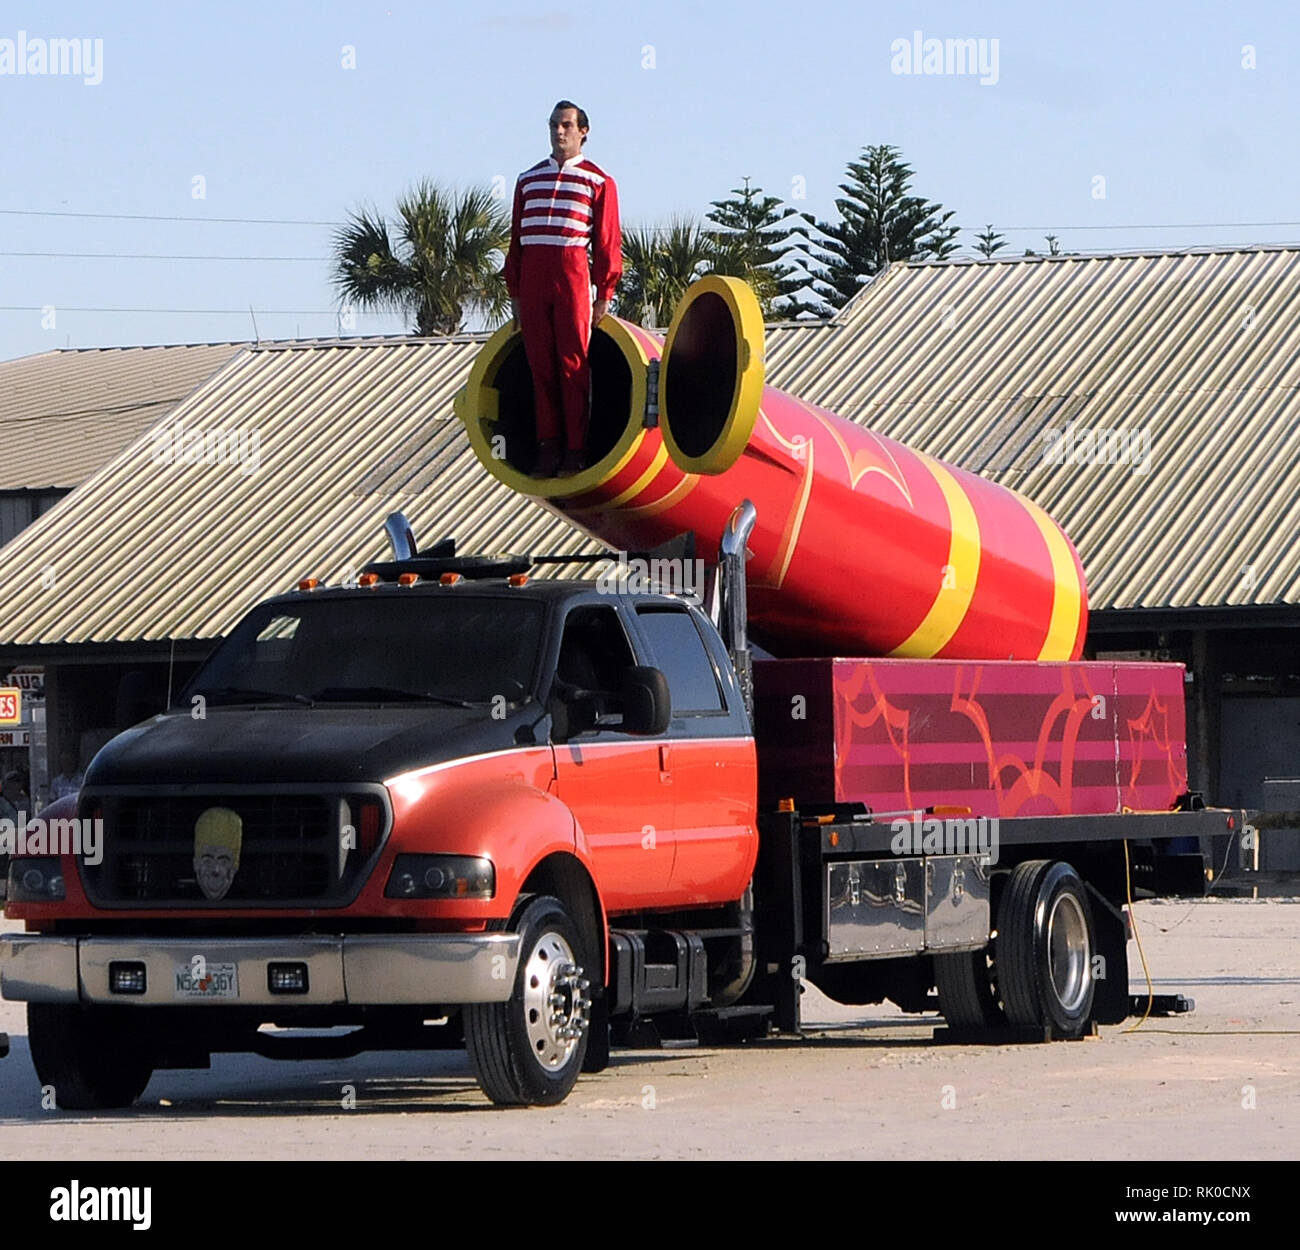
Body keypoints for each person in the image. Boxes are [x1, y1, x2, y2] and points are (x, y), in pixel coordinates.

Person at [504, 100, 622, 478]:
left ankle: (575, 448)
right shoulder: (528, 179)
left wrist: (604, 293)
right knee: (540, 365)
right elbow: (516, 241)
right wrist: (516, 295)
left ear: (583, 131)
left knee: (573, 365)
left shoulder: (598, 180)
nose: (559, 132)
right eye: (554, 124)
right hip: (534, 277)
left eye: (567, 125)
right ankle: (547, 447)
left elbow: (606, 242)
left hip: (571, 274)